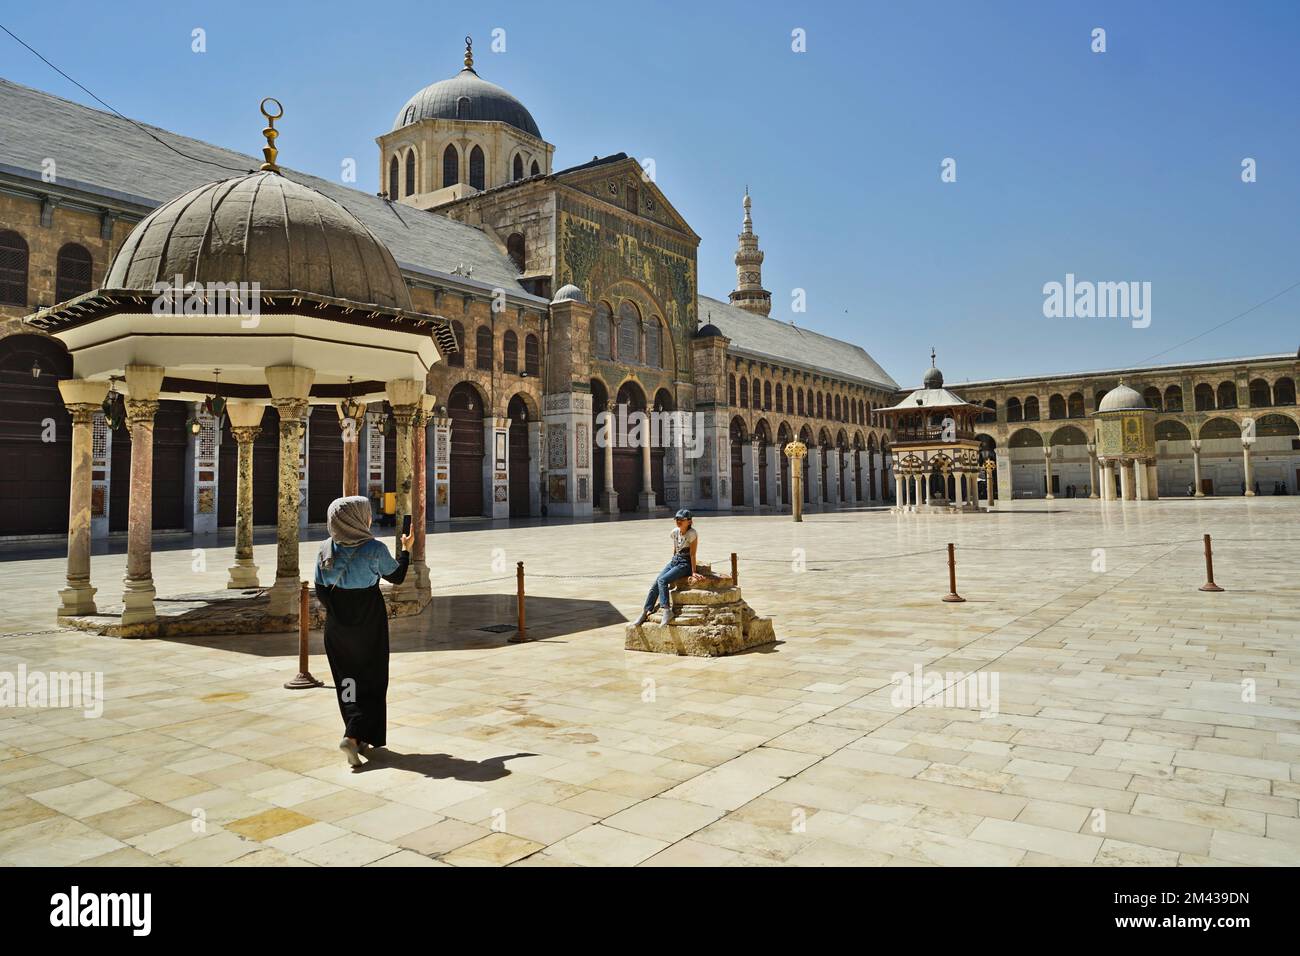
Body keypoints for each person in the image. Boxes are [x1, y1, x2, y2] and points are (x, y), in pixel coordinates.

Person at [314, 496, 412, 768]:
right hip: (369, 623)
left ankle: (355, 736)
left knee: (347, 680)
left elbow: (320, 590)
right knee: (372, 678)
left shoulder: (324, 548)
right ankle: (354, 734)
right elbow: (397, 576)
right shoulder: (374, 549)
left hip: (337, 626)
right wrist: (406, 549)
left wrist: (340, 611)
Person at [633, 509, 700, 627]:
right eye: (677, 519)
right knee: (655, 584)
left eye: (681, 520)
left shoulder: (692, 534)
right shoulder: (674, 532)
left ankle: (666, 610)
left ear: (689, 521)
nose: (678, 522)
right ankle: (645, 611)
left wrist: (694, 572)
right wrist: (672, 565)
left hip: (684, 564)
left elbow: (692, 554)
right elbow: (675, 549)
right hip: (675, 561)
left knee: (662, 580)